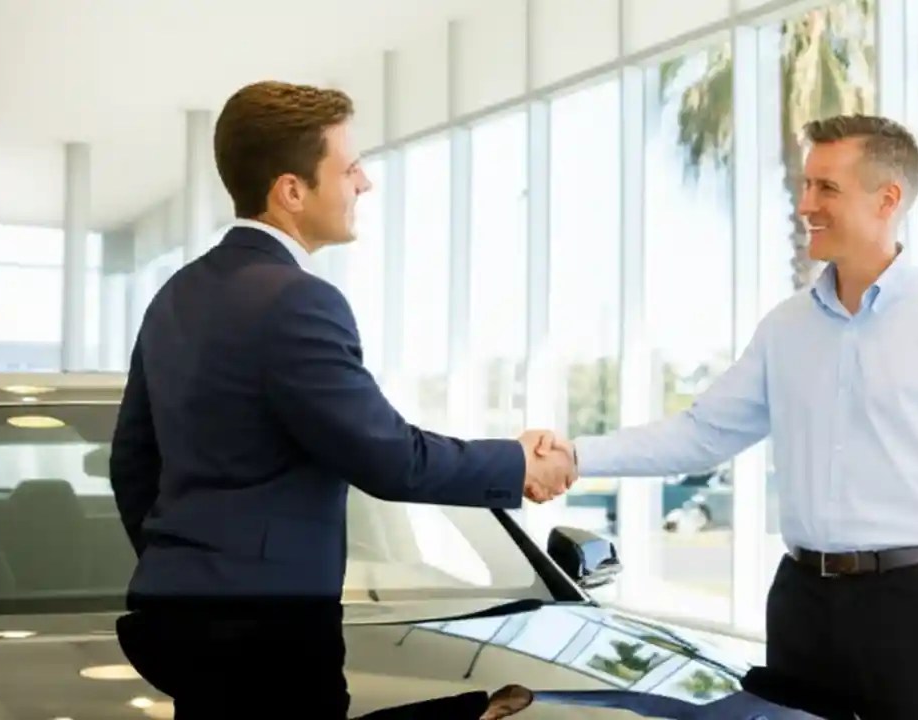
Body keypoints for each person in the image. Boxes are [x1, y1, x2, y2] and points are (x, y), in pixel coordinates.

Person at [533, 114, 918, 719]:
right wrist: (578, 456)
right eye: (804, 186)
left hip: (915, 608)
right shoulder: (786, 327)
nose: (805, 205)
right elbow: (702, 434)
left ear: (887, 199)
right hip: (802, 605)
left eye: (826, 188)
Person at [108, 80, 574, 718]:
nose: (364, 184)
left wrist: (193, 563)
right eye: (349, 167)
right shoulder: (296, 300)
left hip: (182, 631)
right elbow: (386, 456)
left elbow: (133, 462)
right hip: (269, 637)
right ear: (291, 191)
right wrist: (518, 465)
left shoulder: (176, 297)